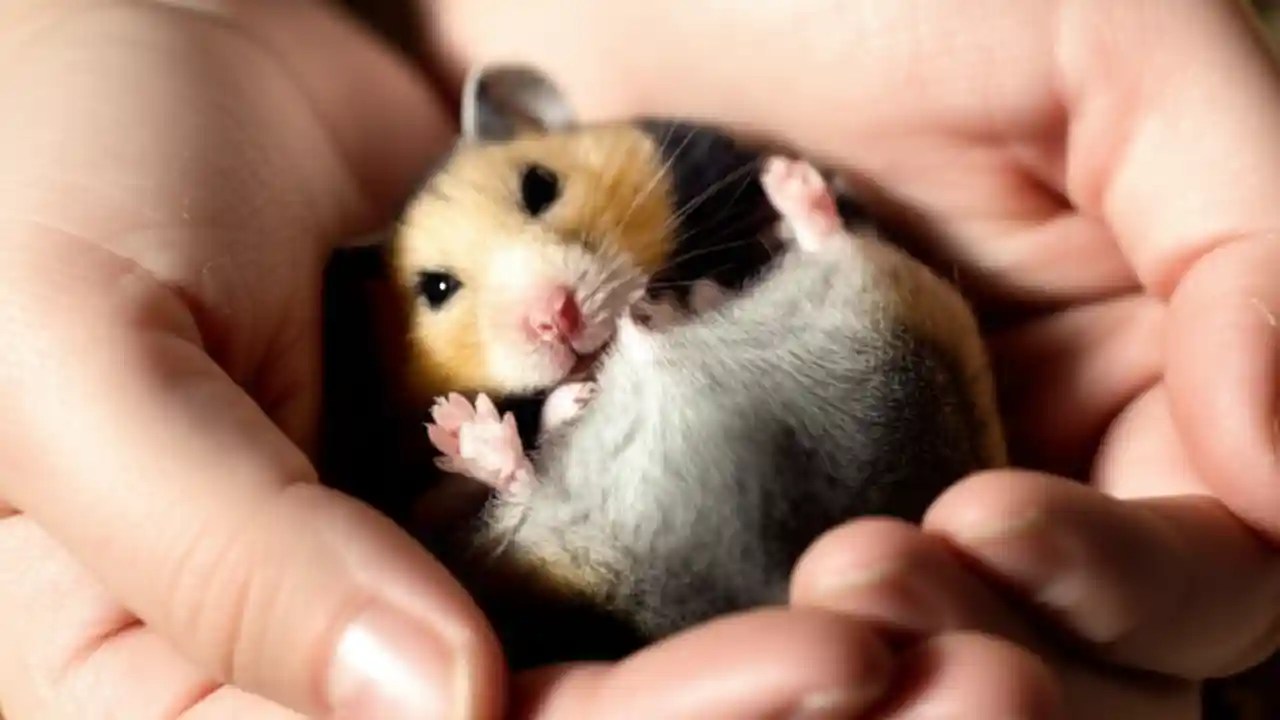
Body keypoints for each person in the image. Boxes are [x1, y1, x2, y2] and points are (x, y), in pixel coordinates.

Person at [1, 1, 1279, 717]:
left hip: (870, 425)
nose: (541, 297)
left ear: (540, 125)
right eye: (441, 290)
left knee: (874, 312)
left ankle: (825, 253)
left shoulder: (702, 187)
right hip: (646, 541)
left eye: (542, 191)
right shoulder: (396, 386)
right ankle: (516, 473)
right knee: (534, 528)